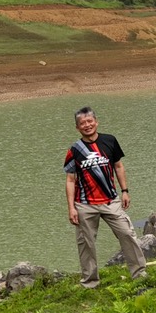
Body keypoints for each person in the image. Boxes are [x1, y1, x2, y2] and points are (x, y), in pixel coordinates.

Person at [63, 106, 147, 288]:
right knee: (86, 243)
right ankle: (90, 282)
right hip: (84, 204)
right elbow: (70, 180)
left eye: (90, 121)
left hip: (111, 201)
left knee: (127, 234)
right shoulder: (74, 150)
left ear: (96, 121)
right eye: (82, 123)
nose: (87, 125)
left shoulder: (110, 141)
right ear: (77, 127)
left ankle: (139, 273)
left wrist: (125, 190)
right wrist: (71, 208)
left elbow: (118, 166)